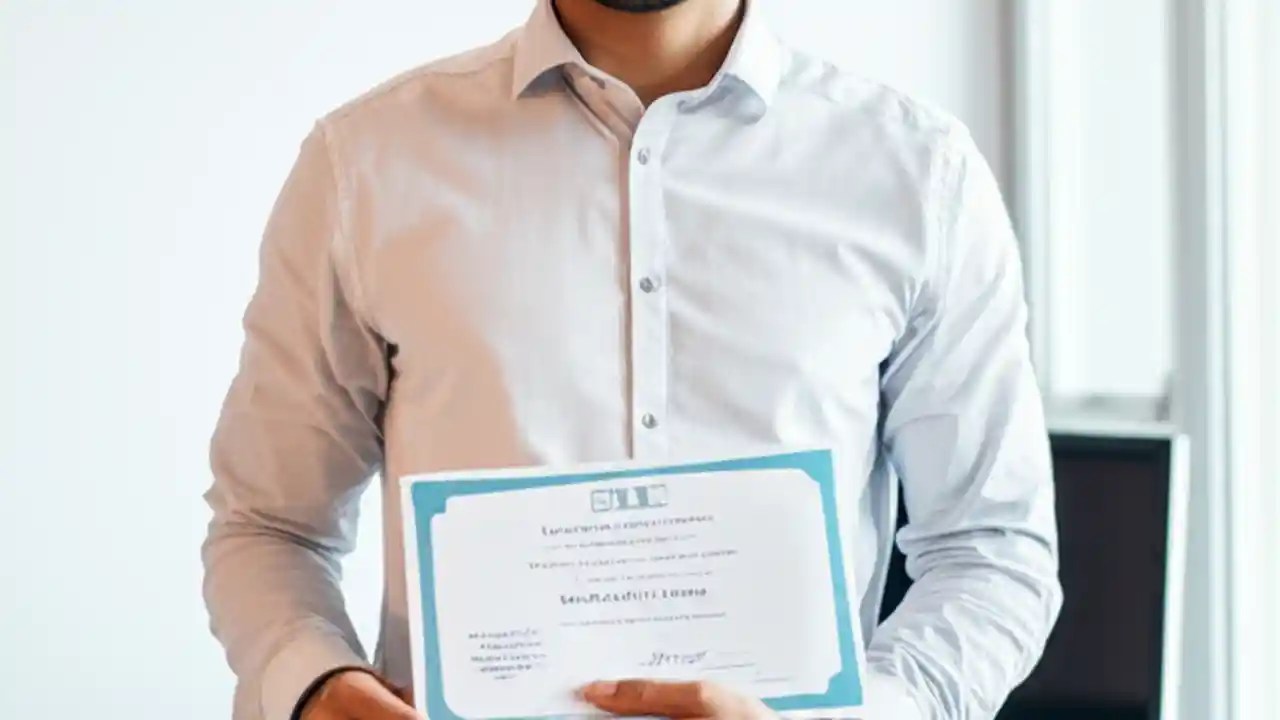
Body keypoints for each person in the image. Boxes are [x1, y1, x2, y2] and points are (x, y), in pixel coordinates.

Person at [202, 0, 1063, 718]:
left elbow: (991, 553)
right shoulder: (366, 168)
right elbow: (269, 525)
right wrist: (316, 687)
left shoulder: (917, 174)